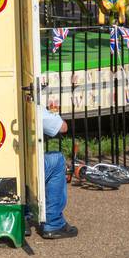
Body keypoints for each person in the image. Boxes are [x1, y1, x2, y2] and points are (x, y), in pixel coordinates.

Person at [37, 98, 76, 239]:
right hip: (26, 169)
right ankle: (53, 223)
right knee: (57, 160)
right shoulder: (31, 105)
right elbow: (63, 127)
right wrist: (54, 111)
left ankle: (26, 214)